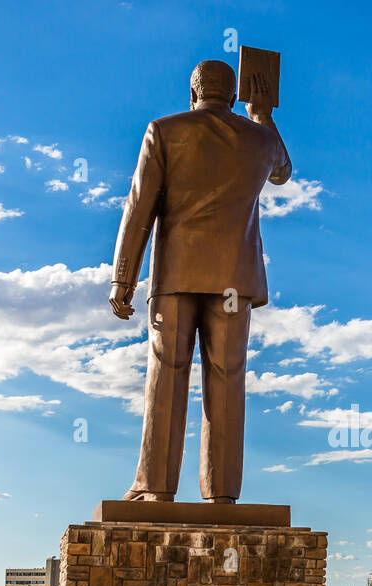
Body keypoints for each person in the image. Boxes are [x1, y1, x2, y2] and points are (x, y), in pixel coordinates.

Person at [109, 59, 292, 504]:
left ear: (193, 94)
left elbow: (139, 208)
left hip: (176, 274)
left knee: (167, 374)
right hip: (234, 280)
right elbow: (282, 171)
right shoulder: (260, 138)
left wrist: (123, 279)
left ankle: (154, 489)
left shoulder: (164, 130)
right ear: (233, 97)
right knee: (228, 379)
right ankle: (223, 495)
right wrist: (263, 115)